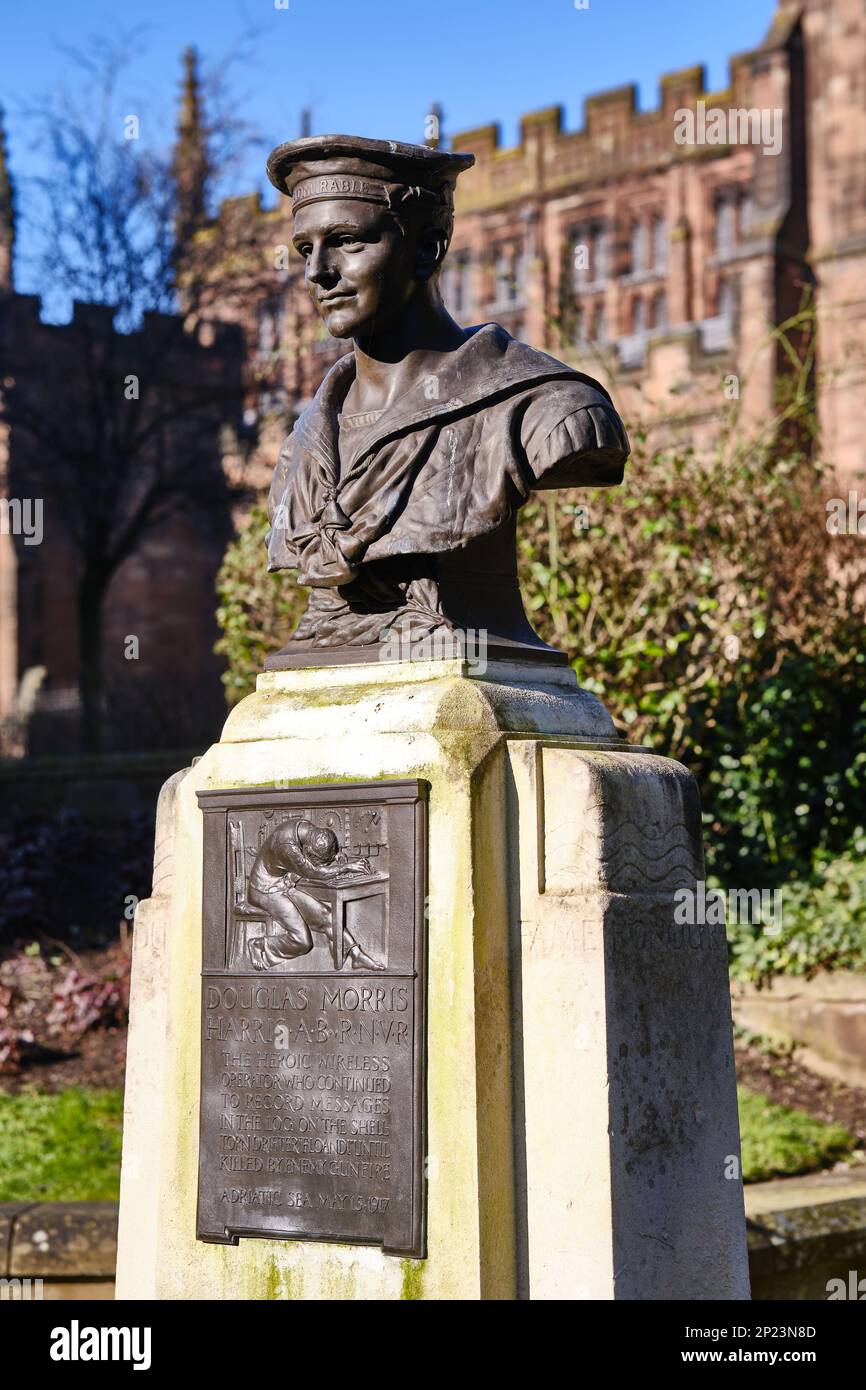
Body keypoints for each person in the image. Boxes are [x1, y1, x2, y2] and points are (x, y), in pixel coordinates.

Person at [264, 134, 630, 664]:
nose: (318, 271)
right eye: (304, 249)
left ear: (428, 247)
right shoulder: (300, 448)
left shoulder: (545, 409)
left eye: (348, 241)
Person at [246, 818, 383, 971]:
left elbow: (314, 861)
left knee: (328, 916)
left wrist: (334, 855)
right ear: (309, 850)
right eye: (318, 860)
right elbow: (313, 871)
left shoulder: (307, 829)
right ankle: (258, 945)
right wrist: (346, 868)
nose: (319, 863)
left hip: (284, 884)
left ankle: (356, 956)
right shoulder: (287, 847)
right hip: (265, 890)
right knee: (302, 941)